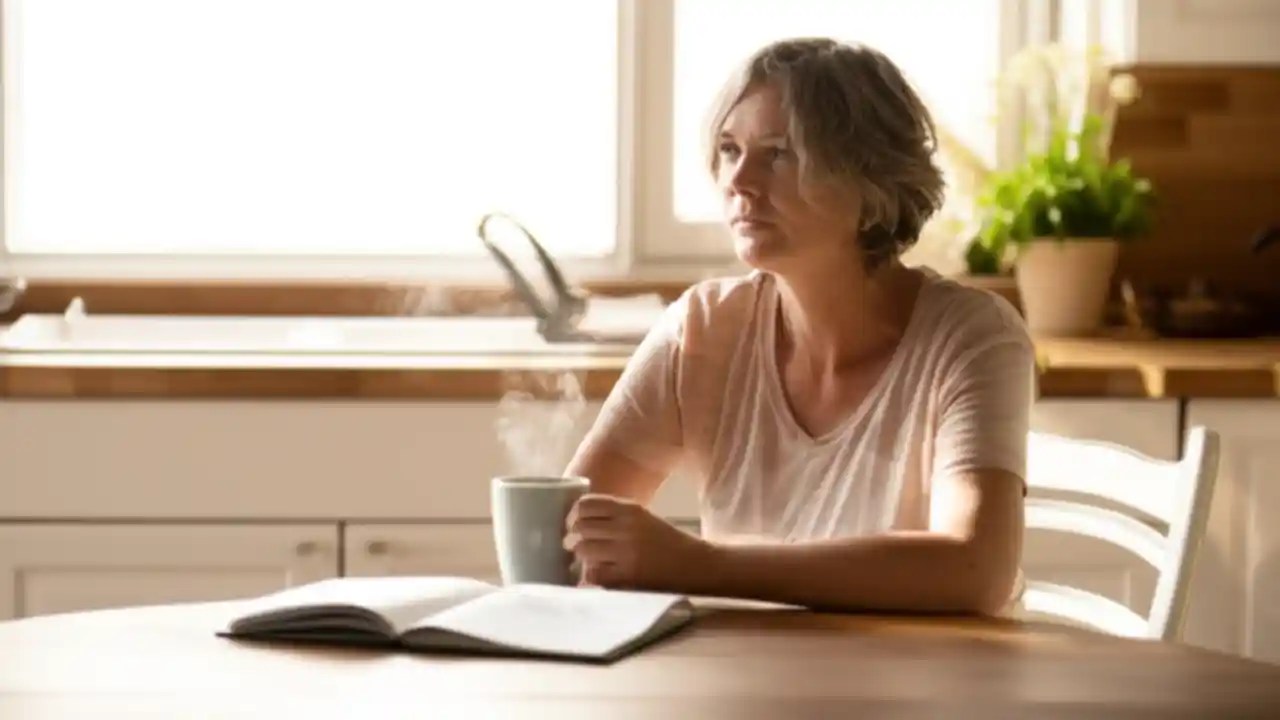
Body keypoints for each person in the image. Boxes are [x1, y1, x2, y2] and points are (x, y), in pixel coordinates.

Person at [562, 37, 1035, 615]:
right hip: (747, 690)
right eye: (730, 149)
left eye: (779, 153)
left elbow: (974, 570)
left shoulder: (972, 337)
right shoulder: (703, 329)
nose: (739, 180)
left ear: (871, 180)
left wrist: (699, 564)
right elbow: (570, 530)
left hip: (919, 695)